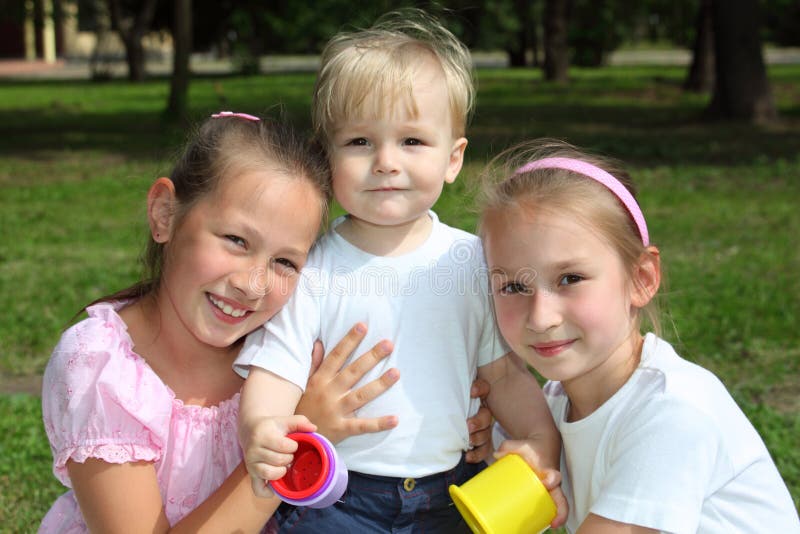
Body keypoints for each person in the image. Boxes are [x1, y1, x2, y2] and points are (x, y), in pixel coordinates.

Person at [38, 111, 495, 533]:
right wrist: (298, 447)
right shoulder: (104, 370)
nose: (254, 285)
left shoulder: (281, 343)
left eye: (285, 262)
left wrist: (458, 420)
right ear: (164, 213)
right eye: (236, 240)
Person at [235, 10, 565, 532]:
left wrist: (540, 441)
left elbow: (502, 375)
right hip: (337, 497)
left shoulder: (471, 261)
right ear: (328, 157)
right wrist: (263, 428)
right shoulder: (312, 267)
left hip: (455, 491)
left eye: (412, 141)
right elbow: (275, 372)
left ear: (453, 158)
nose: (386, 161)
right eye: (360, 142)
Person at [478, 138, 800, 533]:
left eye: (570, 279)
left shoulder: (671, 411)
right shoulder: (553, 407)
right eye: (512, 287)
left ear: (641, 279)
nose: (541, 318)